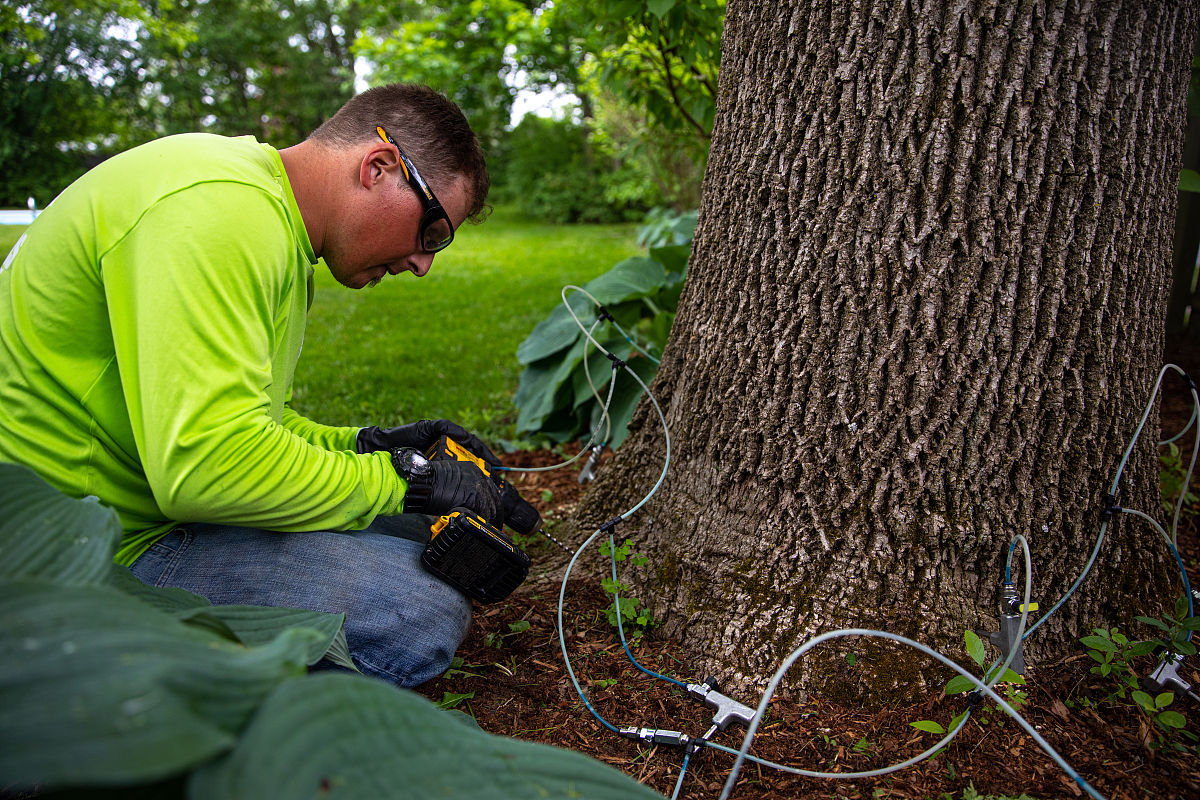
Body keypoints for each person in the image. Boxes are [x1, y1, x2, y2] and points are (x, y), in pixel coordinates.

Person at [0, 83, 533, 687]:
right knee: (416, 612)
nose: (424, 263)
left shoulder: (258, 209)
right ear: (379, 167)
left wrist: (370, 444)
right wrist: (408, 481)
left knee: (418, 536)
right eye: (432, 231)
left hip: (136, 503)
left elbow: (246, 425)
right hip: (70, 556)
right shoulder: (219, 214)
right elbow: (209, 468)